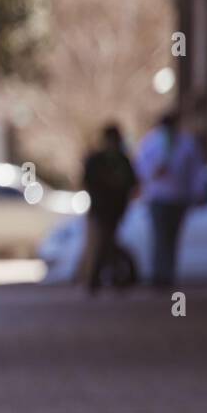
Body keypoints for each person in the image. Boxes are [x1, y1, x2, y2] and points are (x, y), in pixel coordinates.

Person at [134, 110, 204, 289]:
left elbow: (195, 171)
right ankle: (158, 274)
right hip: (158, 196)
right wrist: (153, 172)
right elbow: (140, 167)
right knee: (159, 236)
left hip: (178, 197)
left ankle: (168, 273)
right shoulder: (151, 142)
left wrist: (197, 193)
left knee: (172, 237)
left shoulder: (187, 143)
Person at [79, 123, 138, 293]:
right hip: (100, 209)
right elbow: (88, 182)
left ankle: (106, 277)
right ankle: (99, 278)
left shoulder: (121, 160)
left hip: (115, 210)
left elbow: (131, 183)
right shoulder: (98, 160)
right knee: (101, 242)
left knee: (106, 242)